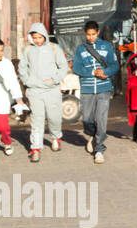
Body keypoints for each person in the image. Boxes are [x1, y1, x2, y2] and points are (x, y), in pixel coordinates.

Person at [17, 23, 67, 162]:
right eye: (35, 37)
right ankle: (36, 148)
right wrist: (27, 81)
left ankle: (56, 137)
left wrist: (55, 79)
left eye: (40, 37)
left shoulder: (54, 48)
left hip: (52, 90)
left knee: (54, 118)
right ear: (31, 37)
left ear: (44, 35)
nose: (38, 40)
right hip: (34, 92)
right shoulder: (27, 50)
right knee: (37, 121)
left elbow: (63, 67)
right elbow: (22, 69)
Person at [72, 20, 119, 164]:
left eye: (93, 34)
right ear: (85, 34)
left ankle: (99, 149)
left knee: (101, 119)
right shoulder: (81, 49)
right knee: (86, 119)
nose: (91, 37)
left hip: (103, 88)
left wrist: (106, 72)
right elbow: (76, 68)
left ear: (98, 33)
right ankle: (92, 134)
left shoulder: (107, 46)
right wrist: (93, 72)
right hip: (86, 88)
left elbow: (115, 65)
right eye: (88, 35)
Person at [0, 38, 27, 156]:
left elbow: (13, 82)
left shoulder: (7, 64)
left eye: (1, 50)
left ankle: (7, 141)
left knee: (2, 127)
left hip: (1, 101)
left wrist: (18, 98)